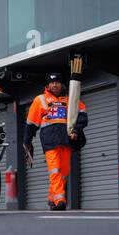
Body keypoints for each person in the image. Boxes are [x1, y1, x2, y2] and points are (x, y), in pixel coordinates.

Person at [24, 72, 88, 211]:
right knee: (55, 169)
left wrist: (76, 130)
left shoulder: (70, 99)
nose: (54, 85)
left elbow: (82, 114)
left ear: (61, 84)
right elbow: (31, 123)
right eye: (52, 83)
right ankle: (60, 200)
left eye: (57, 82)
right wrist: (27, 141)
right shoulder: (40, 99)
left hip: (66, 139)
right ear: (48, 85)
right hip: (49, 140)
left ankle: (52, 198)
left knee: (64, 171)